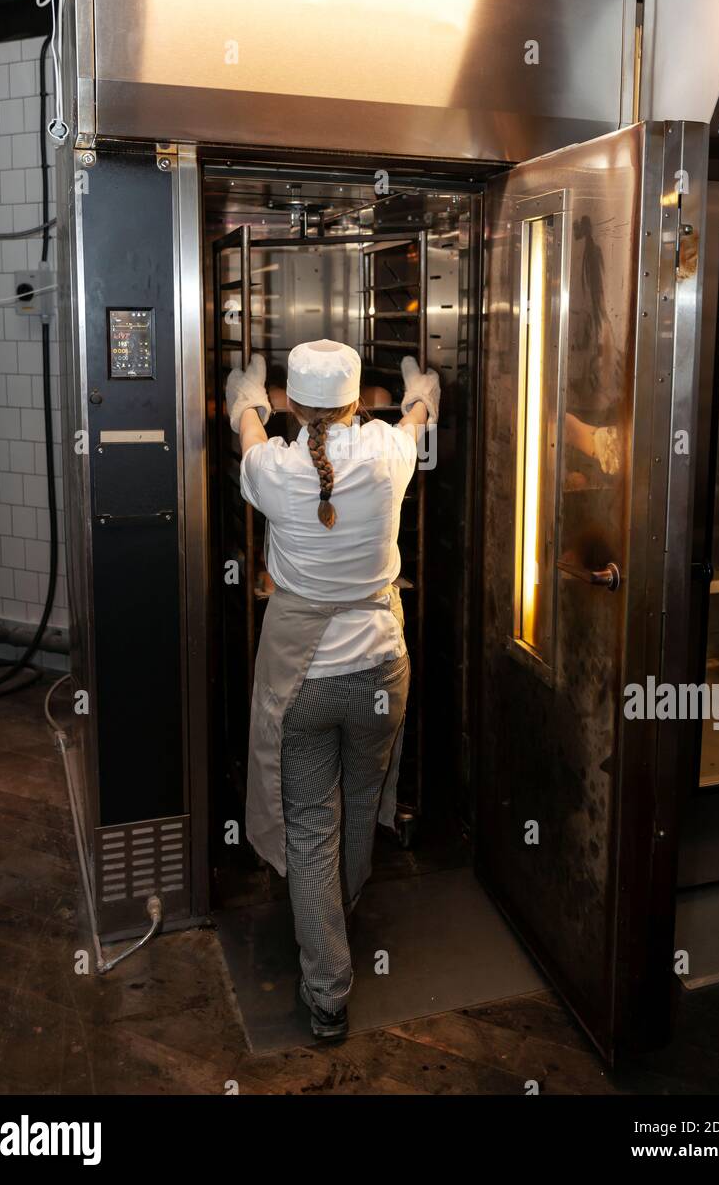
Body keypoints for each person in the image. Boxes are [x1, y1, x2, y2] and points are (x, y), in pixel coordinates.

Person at [225, 339, 440, 1041]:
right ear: (357, 401)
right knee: (357, 805)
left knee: (314, 825)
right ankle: (335, 924)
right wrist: (418, 386)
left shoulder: (278, 468)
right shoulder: (385, 453)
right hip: (382, 671)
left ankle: (327, 990)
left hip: (306, 682)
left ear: (293, 403)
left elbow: (249, 435)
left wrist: (248, 396)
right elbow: (416, 419)